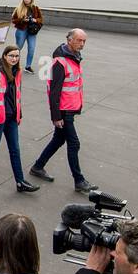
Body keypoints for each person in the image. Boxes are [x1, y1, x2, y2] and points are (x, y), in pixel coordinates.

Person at [29, 28, 93, 194]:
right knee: (74, 143)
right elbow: (54, 92)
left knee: (58, 140)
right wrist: (56, 116)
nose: (82, 44)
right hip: (64, 111)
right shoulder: (60, 62)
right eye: (79, 40)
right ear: (69, 40)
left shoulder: (74, 57)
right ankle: (79, 180)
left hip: (70, 107)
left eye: (84, 41)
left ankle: (38, 166)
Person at [0, 45, 41, 193]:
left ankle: (20, 182)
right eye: (11, 56)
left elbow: (17, 95)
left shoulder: (17, 71)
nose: (14, 59)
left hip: (11, 118)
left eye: (17, 56)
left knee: (15, 150)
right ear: (4, 56)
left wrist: (19, 114)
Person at [11, 0, 43, 73]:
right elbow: (14, 20)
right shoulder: (19, 8)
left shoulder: (35, 8)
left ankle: (28, 66)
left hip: (32, 31)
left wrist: (35, 20)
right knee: (18, 48)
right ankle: (13, 64)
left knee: (31, 49)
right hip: (22, 30)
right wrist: (22, 20)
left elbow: (41, 19)